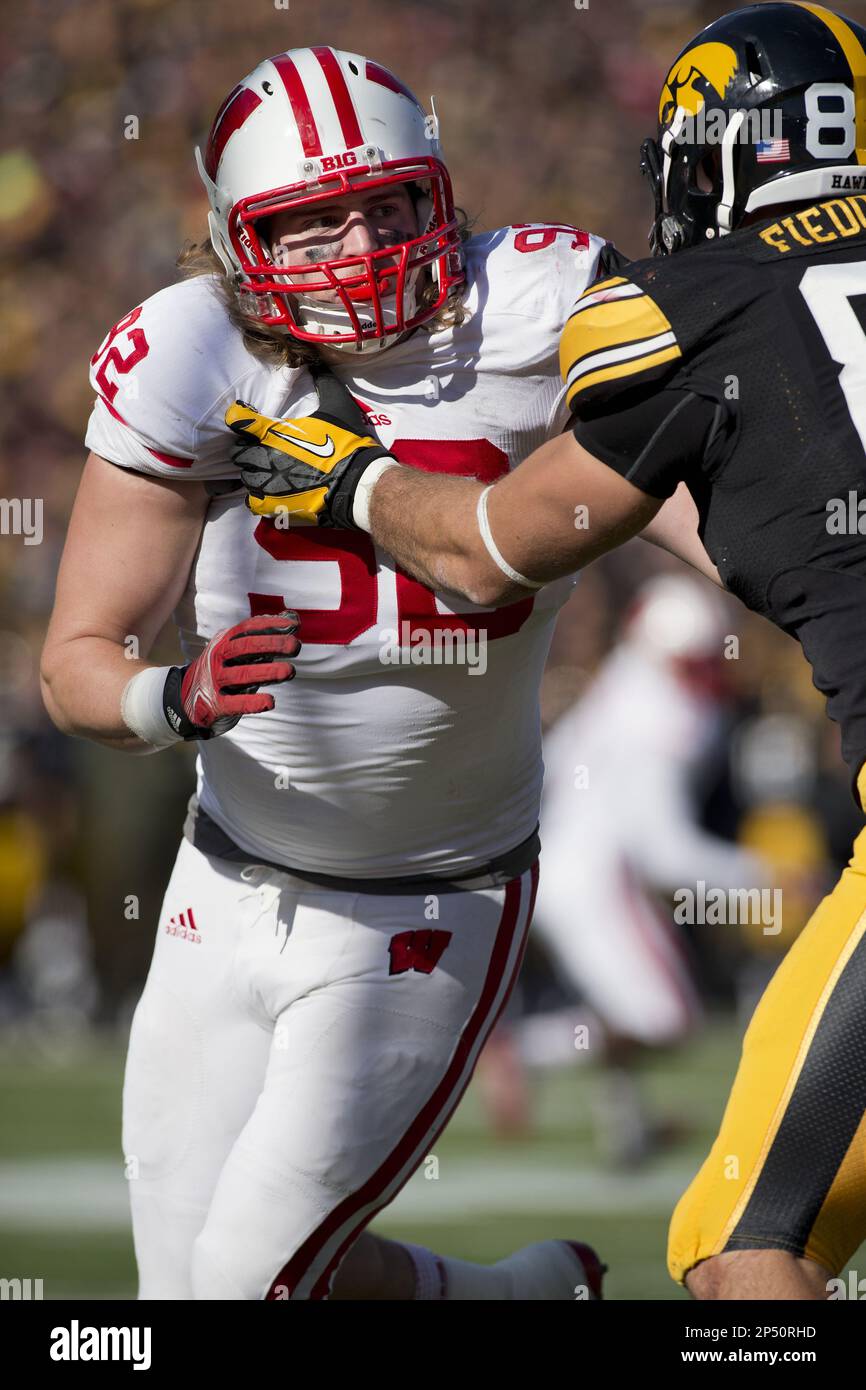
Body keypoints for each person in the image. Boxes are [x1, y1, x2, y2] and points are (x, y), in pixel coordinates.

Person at [234, 6, 866, 1300]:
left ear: (723, 156)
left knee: (745, 1250)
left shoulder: (689, 308)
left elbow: (485, 550)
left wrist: (352, 481)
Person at [38, 44, 652, 1301]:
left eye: (389, 204)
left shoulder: (537, 307)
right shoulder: (191, 353)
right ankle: (515, 1298)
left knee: (245, 1284)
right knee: (187, 1294)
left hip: (429, 902)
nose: (361, 243)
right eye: (314, 222)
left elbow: (708, 509)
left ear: (443, 193)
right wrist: (176, 697)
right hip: (224, 879)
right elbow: (74, 662)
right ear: (235, 241)